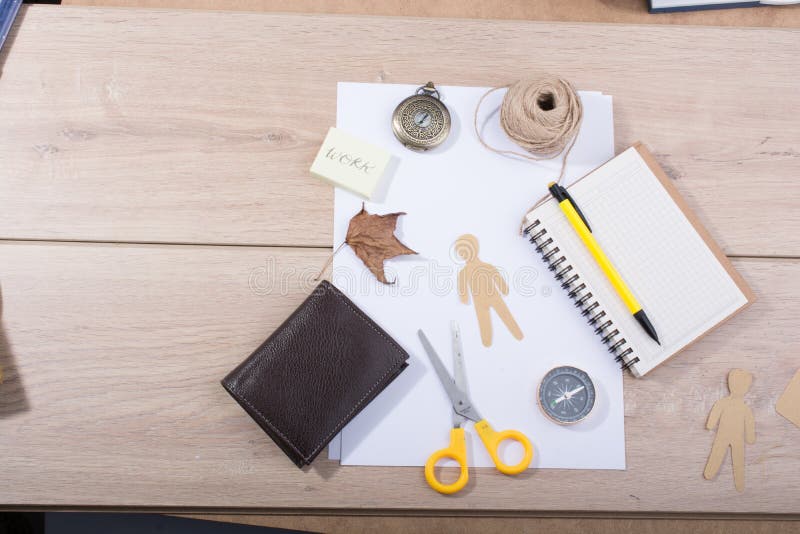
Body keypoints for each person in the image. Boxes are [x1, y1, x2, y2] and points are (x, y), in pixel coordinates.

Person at [455, 234, 523, 347]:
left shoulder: (487, 266)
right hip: (479, 301)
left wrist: (504, 288)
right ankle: (486, 342)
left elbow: (497, 277)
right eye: (462, 252)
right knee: (484, 322)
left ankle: (518, 335)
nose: (465, 254)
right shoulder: (464, 272)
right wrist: (464, 298)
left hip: (495, 297)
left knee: (506, 316)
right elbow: (462, 287)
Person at [704, 369, 756, 492]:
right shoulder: (725, 403)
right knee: (718, 454)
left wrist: (750, 437)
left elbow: (749, 423)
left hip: (736, 438)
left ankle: (739, 484)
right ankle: (710, 473)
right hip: (723, 436)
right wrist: (710, 424)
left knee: (738, 460)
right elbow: (715, 414)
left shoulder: (744, 408)